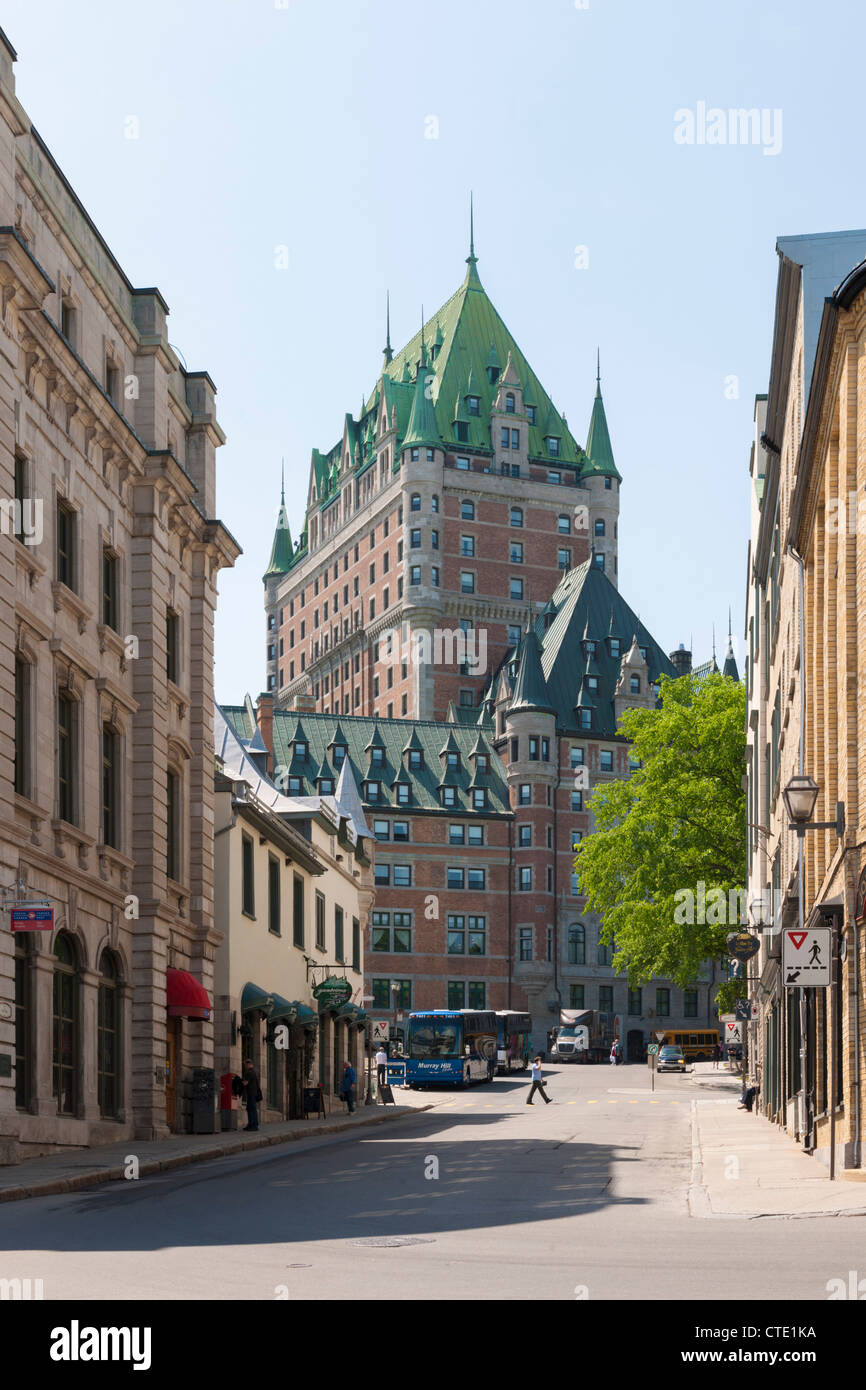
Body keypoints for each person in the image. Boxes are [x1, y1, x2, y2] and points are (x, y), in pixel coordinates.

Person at [242, 1058, 260, 1131]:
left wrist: (238, 1083)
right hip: (253, 1093)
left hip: (251, 1094)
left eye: (245, 1064)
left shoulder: (249, 1072)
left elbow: (245, 1083)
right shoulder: (254, 1072)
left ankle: (253, 1125)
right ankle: (251, 1124)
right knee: (250, 1109)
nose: (244, 1066)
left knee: (251, 1109)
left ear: (248, 1064)